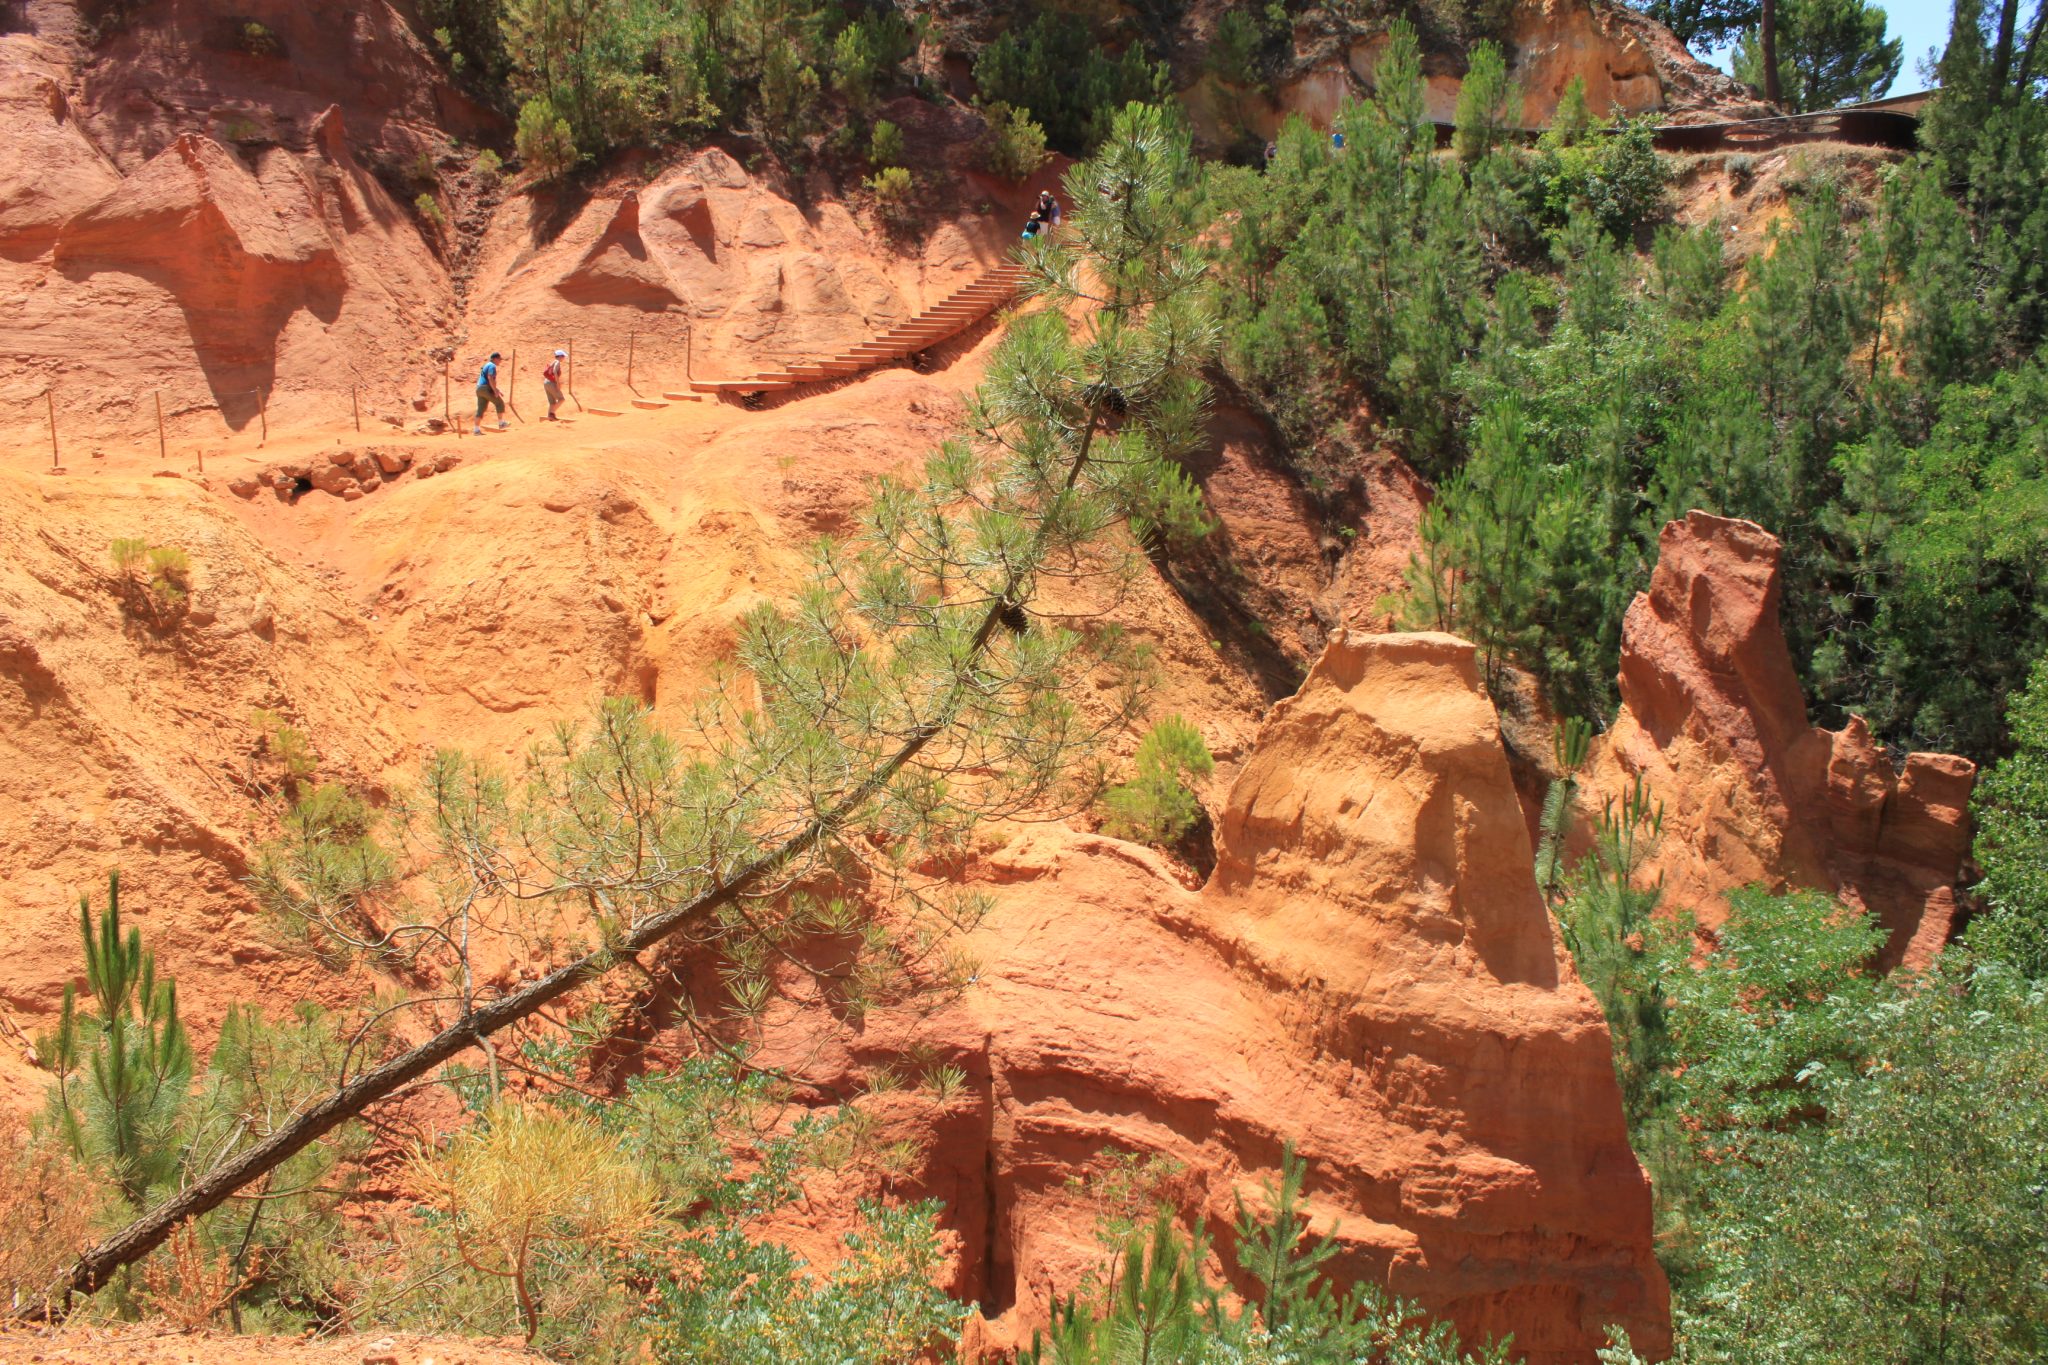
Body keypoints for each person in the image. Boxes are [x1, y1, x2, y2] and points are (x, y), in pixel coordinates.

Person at [474, 352, 507, 434]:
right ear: (495, 359)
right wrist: (495, 391)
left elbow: (487, 380)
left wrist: (496, 389)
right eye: (499, 359)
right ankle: (501, 423)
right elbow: (490, 378)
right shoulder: (492, 366)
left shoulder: (486, 365)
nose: (500, 361)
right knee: (499, 403)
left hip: (479, 389)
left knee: (480, 409)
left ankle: (476, 430)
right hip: (485, 388)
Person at [542, 349, 566, 421]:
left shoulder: (553, 362)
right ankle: (551, 414)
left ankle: (550, 418)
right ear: (560, 356)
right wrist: (558, 384)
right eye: (563, 356)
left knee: (552, 402)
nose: (564, 358)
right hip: (551, 383)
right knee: (562, 399)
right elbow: (555, 371)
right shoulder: (557, 362)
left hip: (546, 382)